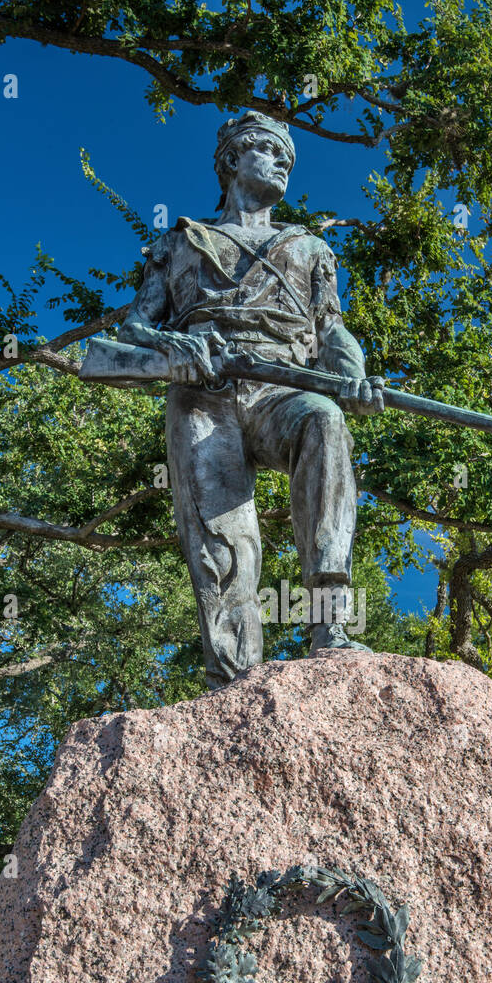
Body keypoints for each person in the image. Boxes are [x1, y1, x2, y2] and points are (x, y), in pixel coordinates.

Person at [117, 110, 384, 689]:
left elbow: (331, 329)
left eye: (287, 154)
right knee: (223, 540)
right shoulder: (181, 241)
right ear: (232, 160)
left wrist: (354, 374)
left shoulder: (309, 247)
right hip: (202, 394)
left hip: (283, 386)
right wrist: (176, 344)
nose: (282, 159)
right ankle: (233, 681)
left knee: (325, 422)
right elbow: (134, 328)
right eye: (266, 148)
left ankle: (329, 624)